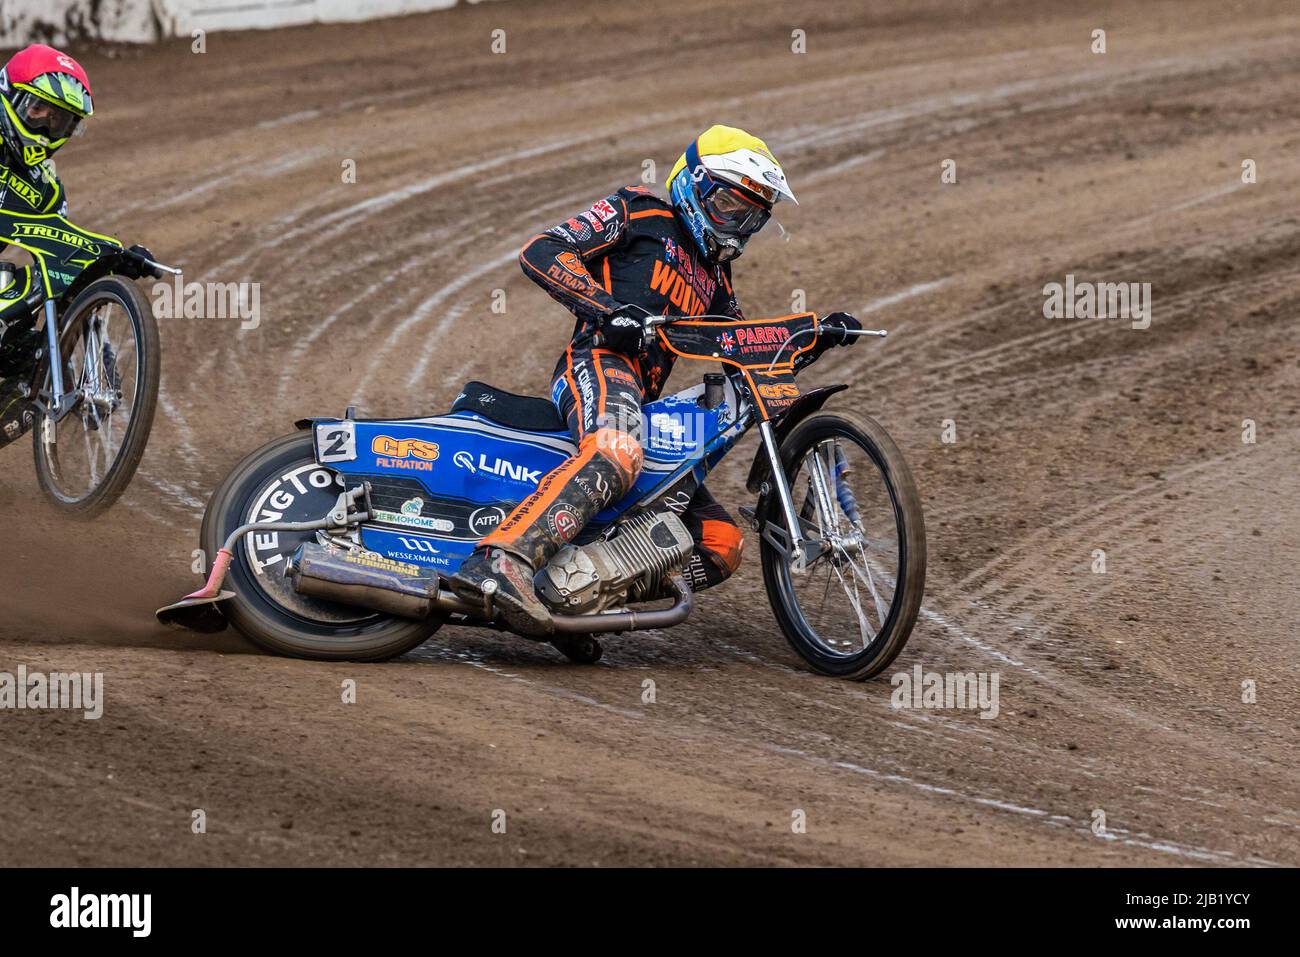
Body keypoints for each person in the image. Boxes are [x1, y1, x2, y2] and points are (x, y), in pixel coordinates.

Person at [451, 125, 862, 635]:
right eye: (731, 207)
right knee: (619, 449)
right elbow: (542, 249)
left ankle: (576, 598)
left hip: (643, 403)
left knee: (720, 543)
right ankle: (501, 560)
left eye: (753, 218)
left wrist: (810, 336)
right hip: (598, 361)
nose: (738, 226)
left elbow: (743, 348)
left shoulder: (715, 279)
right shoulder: (641, 210)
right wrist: (607, 310)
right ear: (694, 185)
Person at [0, 44, 155, 444]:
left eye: (60, 121)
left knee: (35, 359)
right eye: (39, 111)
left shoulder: (46, 186)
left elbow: (61, 253)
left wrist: (95, 354)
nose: (47, 128)